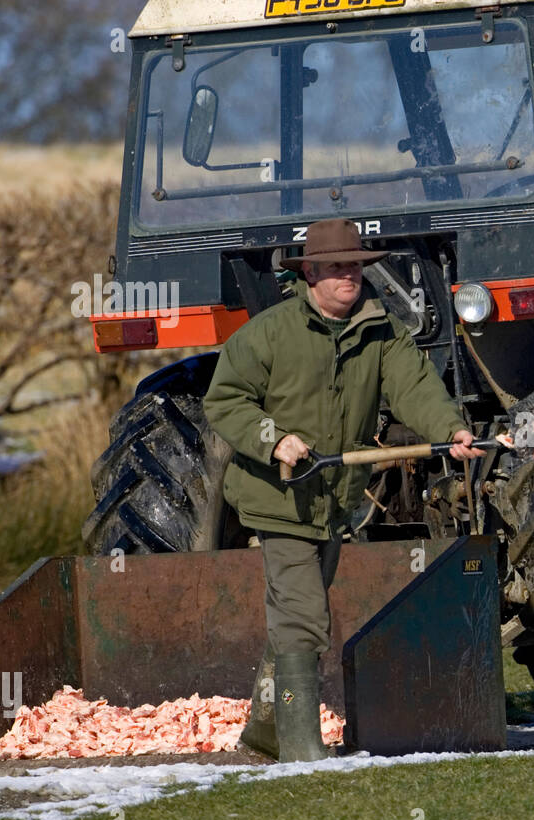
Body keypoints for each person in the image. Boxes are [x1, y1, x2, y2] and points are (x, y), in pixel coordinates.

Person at [203, 218, 484, 762]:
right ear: (308, 273)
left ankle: (265, 729)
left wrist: (449, 430)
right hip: (277, 497)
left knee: (295, 615)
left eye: (355, 265)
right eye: (335, 267)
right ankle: (302, 751)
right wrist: (274, 439)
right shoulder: (270, 332)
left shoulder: (381, 332)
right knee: (305, 614)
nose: (348, 276)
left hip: (334, 500)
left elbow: (415, 388)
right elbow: (225, 400)